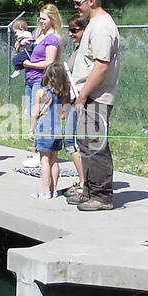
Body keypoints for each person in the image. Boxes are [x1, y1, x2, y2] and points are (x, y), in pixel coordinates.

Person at [68, 0, 120, 211]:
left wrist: (83, 96)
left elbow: (101, 67)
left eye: (78, 3)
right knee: (85, 144)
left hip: (96, 97)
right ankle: (89, 191)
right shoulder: (93, 25)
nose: (76, 7)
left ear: (91, 1)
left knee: (95, 145)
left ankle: (102, 196)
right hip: (87, 96)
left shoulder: (101, 28)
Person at [20, 6, 63, 167]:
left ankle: (42, 154)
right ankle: (37, 150)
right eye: (40, 18)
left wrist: (30, 63)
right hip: (30, 79)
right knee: (31, 114)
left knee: (39, 113)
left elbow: (49, 62)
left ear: (52, 19)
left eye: (44, 18)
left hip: (41, 80)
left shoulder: (52, 39)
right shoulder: (38, 34)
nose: (40, 21)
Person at [31, 62, 73, 199]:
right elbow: (63, 114)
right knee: (54, 160)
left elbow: (35, 113)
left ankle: (45, 190)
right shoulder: (63, 94)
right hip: (57, 129)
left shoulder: (41, 92)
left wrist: (31, 128)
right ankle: (54, 189)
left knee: (44, 160)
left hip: (44, 129)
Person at [60, 13, 89, 198]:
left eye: (75, 30)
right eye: (69, 30)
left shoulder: (86, 52)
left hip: (82, 102)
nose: (71, 33)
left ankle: (85, 183)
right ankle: (83, 180)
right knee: (70, 141)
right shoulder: (76, 49)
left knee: (77, 143)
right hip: (72, 101)